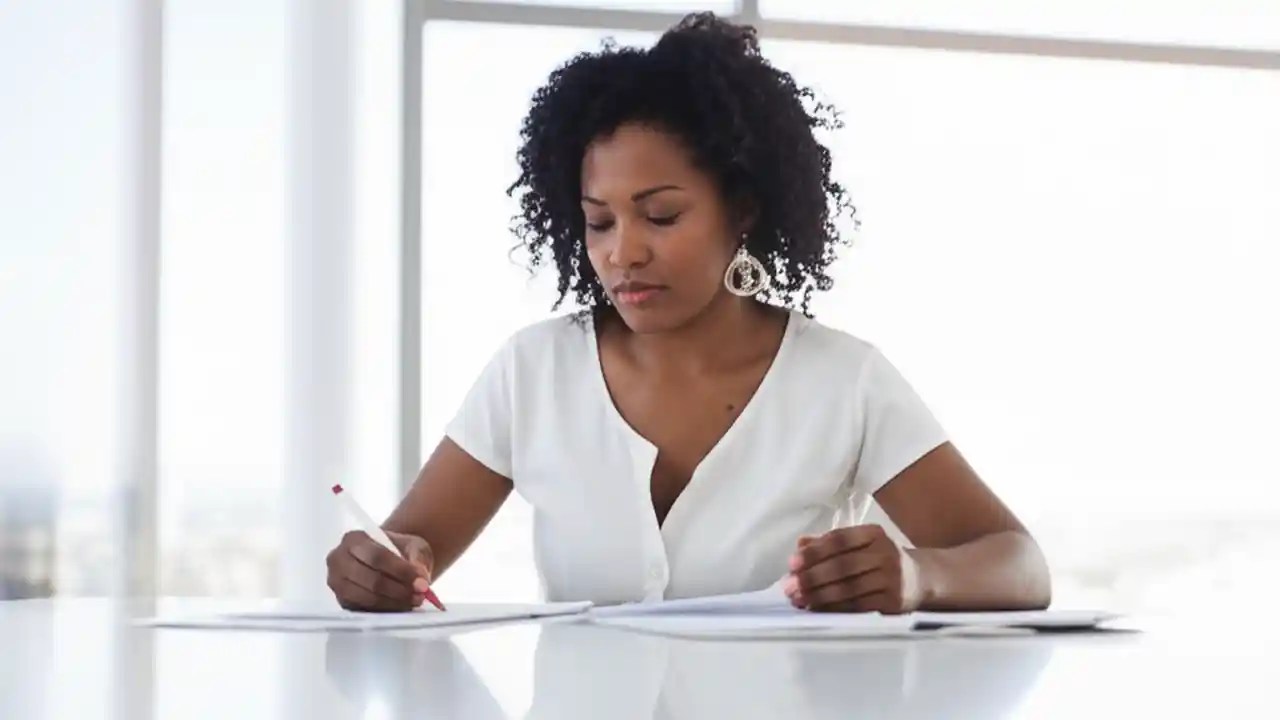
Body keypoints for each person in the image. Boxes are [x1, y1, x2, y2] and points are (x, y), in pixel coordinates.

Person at [325, 13, 1051, 614]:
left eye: (661, 216)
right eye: (599, 223)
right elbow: (406, 547)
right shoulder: (533, 369)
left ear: (741, 210)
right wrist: (381, 569)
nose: (622, 254)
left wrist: (920, 577)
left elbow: (1020, 566)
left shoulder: (843, 379)